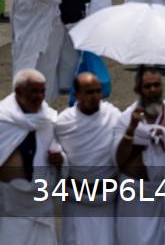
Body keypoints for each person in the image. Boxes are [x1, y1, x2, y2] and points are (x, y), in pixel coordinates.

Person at [113, 68, 165, 244]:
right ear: (138, 89)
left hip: (164, 194)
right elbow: (118, 160)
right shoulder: (125, 119)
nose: (153, 90)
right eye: (147, 86)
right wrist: (132, 129)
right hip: (134, 198)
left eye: (156, 85)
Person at [53, 71, 124, 245]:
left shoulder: (113, 116)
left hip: (107, 201)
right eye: (89, 92)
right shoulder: (63, 122)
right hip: (76, 202)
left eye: (98, 91)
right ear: (77, 94)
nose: (95, 96)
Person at [0, 69, 59, 244]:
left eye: (42, 91)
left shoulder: (48, 119)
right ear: (19, 91)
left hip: (40, 204)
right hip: (9, 208)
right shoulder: (3, 120)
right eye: (34, 91)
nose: (39, 96)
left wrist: (60, 159)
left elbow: (59, 150)